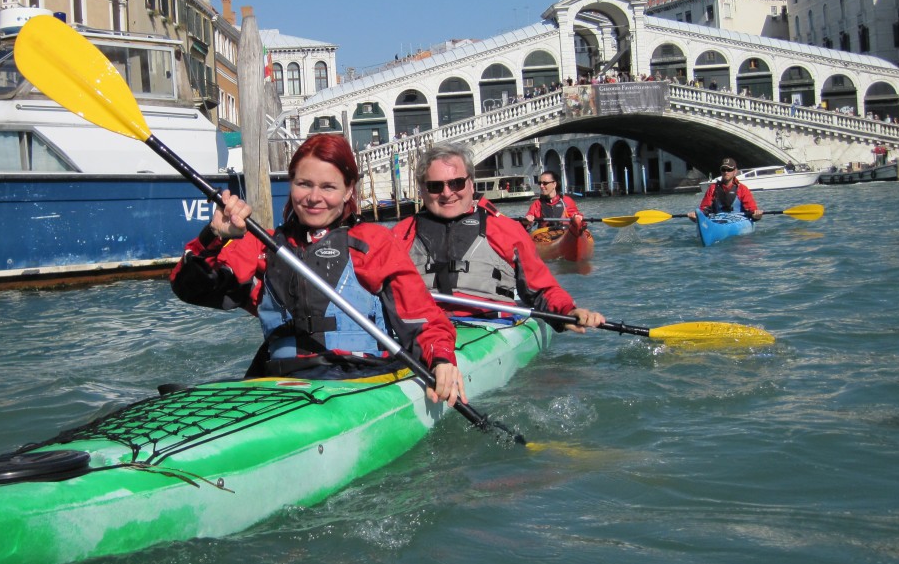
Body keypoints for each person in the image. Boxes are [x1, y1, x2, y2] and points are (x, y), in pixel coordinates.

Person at [169, 134, 468, 407]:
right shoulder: (263, 245)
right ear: (291, 183)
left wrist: (441, 359)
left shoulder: (372, 243)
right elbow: (189, 289)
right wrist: (214, 236)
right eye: (304, 184)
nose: (314, 197)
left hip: (360, 379)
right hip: (281, 381)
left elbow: (424, 318)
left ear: (348, 190)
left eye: (328, 187)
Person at [392, 142, 605, 332]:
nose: (447, 193)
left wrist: (567, 310)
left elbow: (542, 290)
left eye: (456, 183)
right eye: (435, 186)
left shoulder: (506, 230)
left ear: (471, 184)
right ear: (422, 189)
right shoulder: (400, 235)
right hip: (420, 328)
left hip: (488, 325)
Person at [688, 157, 763, 222]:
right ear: (721, 171)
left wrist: (756, 216)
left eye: (729, 169)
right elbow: (704, 209)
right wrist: (696, 217)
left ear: (735, 171)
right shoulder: (712, 188)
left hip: (738, 221)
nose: (726, 172)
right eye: (723, 169)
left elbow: (752, 209)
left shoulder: (742, 189)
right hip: (717, 221)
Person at [520, 170, 585, 234]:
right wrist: (526, 222)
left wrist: (578, 218)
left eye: (545, 183)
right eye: (540, 183)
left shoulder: (567, 201)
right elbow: (526, 225)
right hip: (544, 237)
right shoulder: (537, 204)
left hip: (565, 234)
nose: (541, 186)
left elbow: (577, 218)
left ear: (554, 184)